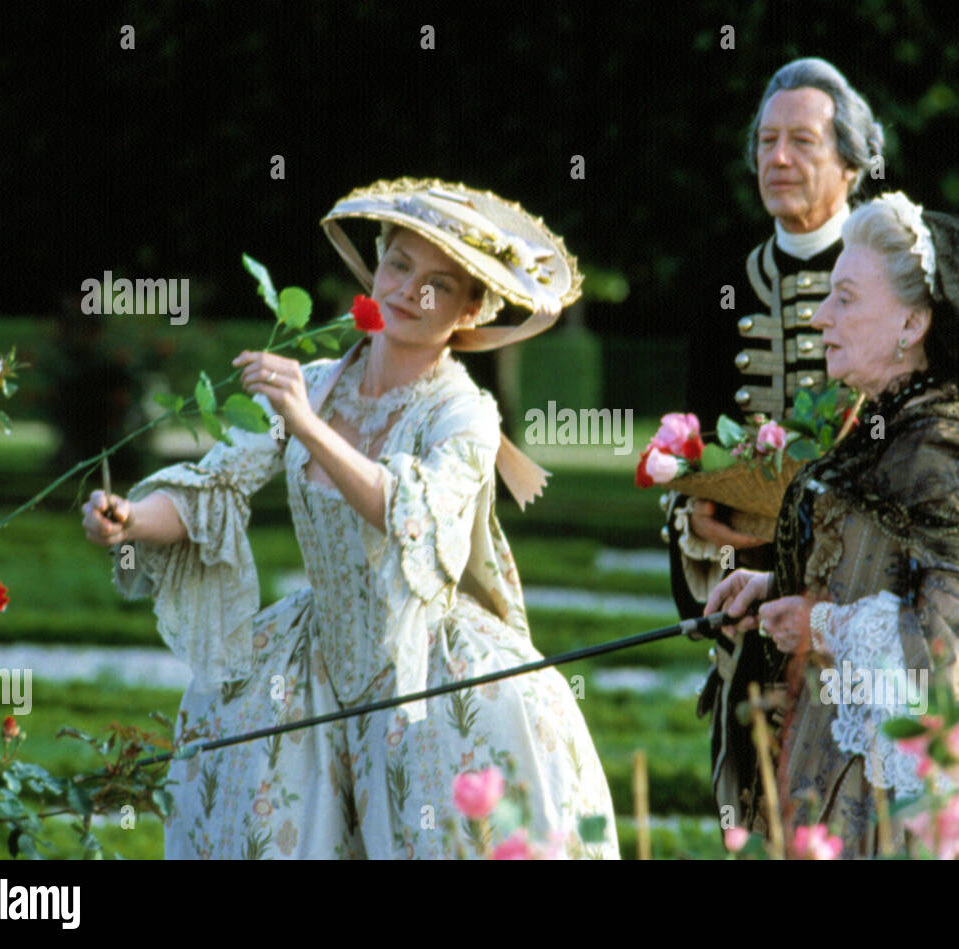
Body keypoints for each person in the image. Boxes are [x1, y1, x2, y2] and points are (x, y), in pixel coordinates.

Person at [82, 178, 620, 859]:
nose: (408, 292)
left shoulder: (465, 414)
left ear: (471, 308)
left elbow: (406, 512)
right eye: (399, 265)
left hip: (428, 660)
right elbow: (208, 491)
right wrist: (128, 520)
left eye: (440, 284)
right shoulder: (318, 381)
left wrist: (306, 425)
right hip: (311, 660)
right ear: (377, 264)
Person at [702, 192, 959, 857]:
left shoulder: (944, 445)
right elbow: (871, 560)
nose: (821, 315)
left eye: (846, 299)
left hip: (917, 778)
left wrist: (821, 624)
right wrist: (775, 582)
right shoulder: (884, 423)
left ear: (912, 323)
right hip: (841, 735)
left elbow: (958, 638)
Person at [666, 57, 885, 623]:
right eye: (766, 141)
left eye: (803, 141)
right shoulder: (724, 282)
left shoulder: (893, 280)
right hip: (743, 583)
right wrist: (694, 512)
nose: (778, 158)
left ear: (851, 165)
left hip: (859, 578)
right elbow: (701, 431)